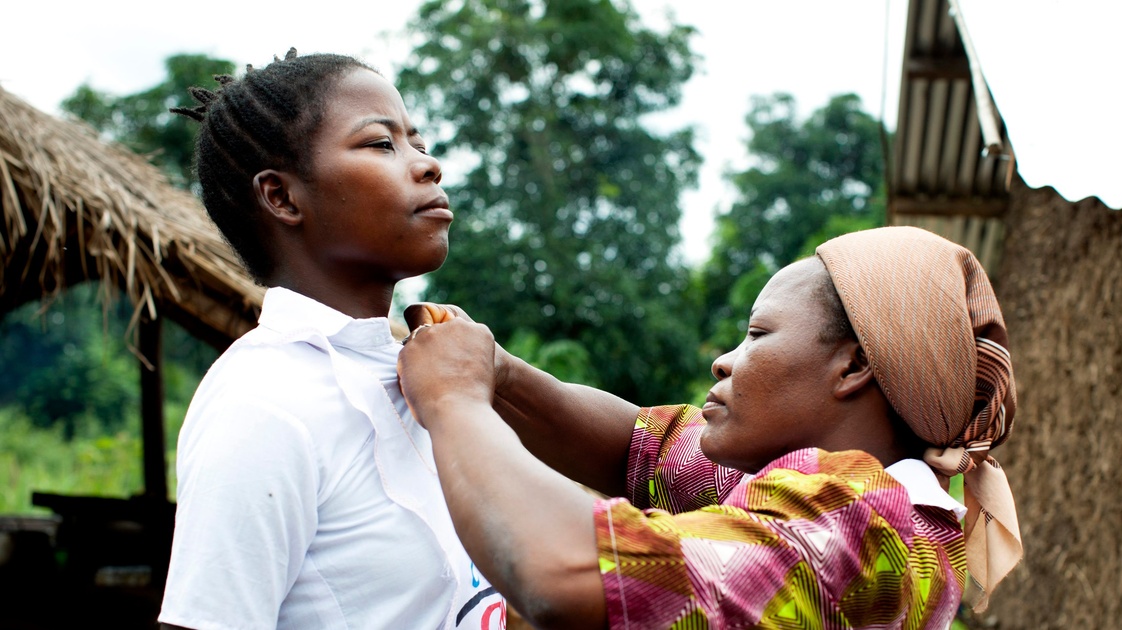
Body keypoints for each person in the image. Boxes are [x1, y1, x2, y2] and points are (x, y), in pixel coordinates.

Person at [397, 226, 1023, 629]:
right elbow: (637, 449)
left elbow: (567, 575)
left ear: (854, 364)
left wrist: (456, 402)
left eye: (757, 335)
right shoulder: (858, 493)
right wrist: (500, 373)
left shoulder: (860, 516)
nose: (724, 359)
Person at [158, 49, 505, 629]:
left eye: (417, 143)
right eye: (381, 144)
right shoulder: (265, 404)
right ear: (283, 197)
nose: (428, 165)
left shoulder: (428, 374)